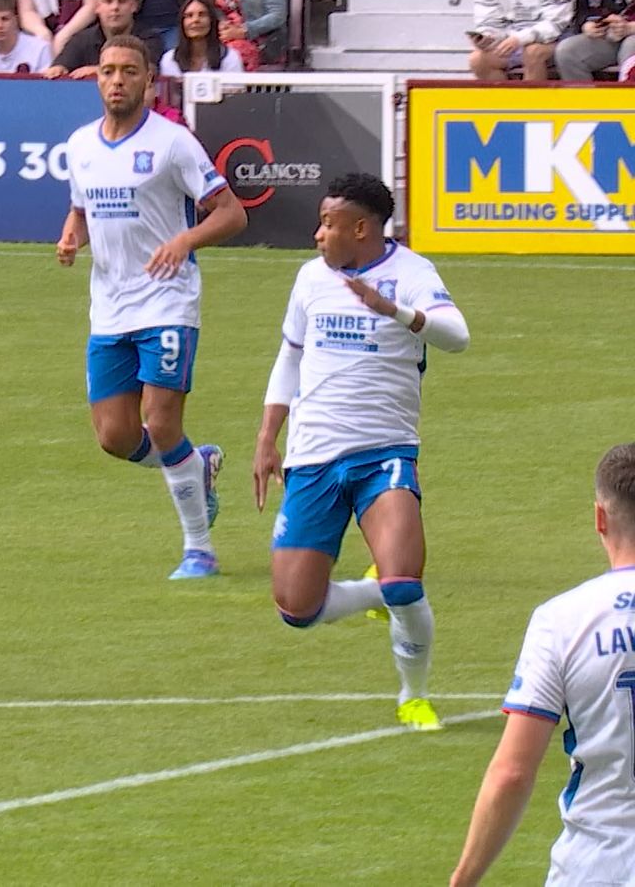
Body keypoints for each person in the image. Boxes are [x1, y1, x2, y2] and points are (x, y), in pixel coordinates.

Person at [252, 172, 471, 731]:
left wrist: (393, 311)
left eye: (328, 224)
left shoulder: (413, 274)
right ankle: (381, 590)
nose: (317, 235)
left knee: (406, 584)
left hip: (384, 451)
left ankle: (412, 694)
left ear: (361, 228)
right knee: (296, 610)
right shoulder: (309, 279)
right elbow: (290, 357)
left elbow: (456, 336)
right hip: (313, 455)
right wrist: (266, 437)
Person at [57, 34, 247, 580]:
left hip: (166, 300)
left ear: (147, 79)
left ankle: (198, 548)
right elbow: (81, 210)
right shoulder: (80, 145)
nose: (116, 80)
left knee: (160, 424)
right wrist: (72, 238)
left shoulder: (173, 143)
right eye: (107, 71)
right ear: (96, 79)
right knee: (115, 438)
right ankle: (197, 465)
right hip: (109, 307)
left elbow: (232, 214)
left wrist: (185, 241)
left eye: (128, 72)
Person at [449, 443, 635, 887]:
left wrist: (464, 878)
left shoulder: (561, 620)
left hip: (596, 866)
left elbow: (513, 772)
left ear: (600, 518)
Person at [43, 0, 163, 79]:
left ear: (133, 6)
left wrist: (102, 70)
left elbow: (149, 69)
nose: (115, 7)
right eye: (108, 1)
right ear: (97, 7)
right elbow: (61, 65)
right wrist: (58, 70)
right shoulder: (81, 39)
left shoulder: (149, 38)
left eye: (122, 1)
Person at [467, 0, 575, 81]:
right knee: (477, 59)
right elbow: (489, 21)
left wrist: (520, 39)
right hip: (512, 41)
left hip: (556, 40)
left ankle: (530, 103)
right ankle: (504, 103)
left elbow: (556, 24)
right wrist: (488, 37)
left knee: (533, 52)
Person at [555, 0, 634, 81]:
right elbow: (583, 8)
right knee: (567, 50)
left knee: (630, 47)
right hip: (610, 32)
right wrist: (588, 24)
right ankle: (583, 95)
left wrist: (631, 27)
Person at [159, 0, 241, 75]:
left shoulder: (230, 58)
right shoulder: (169, 60)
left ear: (211, 21)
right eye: (189, 15)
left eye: (202, 14)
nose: (195, 20)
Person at [210, 0, 287, 69]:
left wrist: (245, 31)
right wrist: (222, 23)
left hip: (261, 42)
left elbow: (278, 16)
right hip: (225, 35)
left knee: (230, 54)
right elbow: (218, 9)